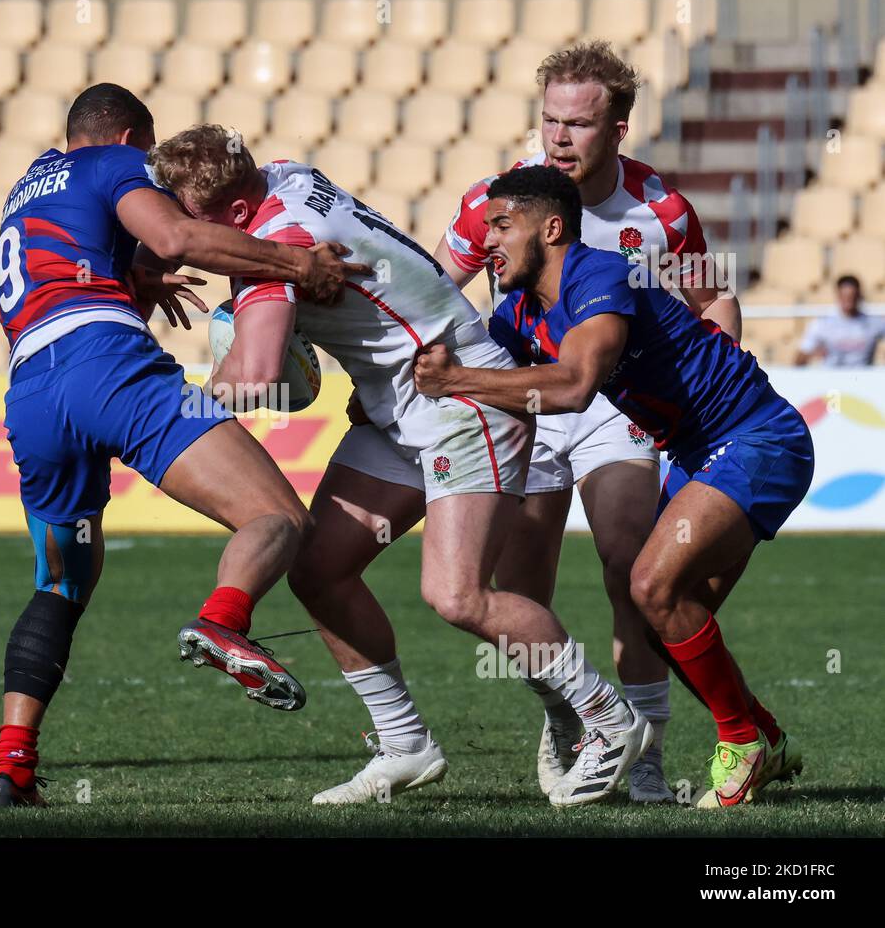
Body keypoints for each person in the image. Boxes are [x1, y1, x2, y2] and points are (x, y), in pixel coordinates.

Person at [150, 124, 654, 808]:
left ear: (236, 213)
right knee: (319, 569)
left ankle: (606, 716)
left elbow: (262, 376)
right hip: (400, 404)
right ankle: (404, 744)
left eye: (192, 222)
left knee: (457, 595)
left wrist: (173, 402)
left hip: (463, 398)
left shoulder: (277, 246)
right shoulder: (284, 174)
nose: (181, 235)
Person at [0, 85, 371, 808]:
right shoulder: (112, 162)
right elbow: (175, 237)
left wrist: (128, 275)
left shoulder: (25, 186)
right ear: (129, 137)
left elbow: (62, 264)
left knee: (61, 585)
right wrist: (296, 266)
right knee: (278, 516)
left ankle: (13, 767)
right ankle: (223, 620)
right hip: (107, 366)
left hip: (31, 392)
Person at [415, 164, 809, 808]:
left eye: (502, 226)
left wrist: (453, 379)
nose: (487, 241)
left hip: (759, 438)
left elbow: (573, 386)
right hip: (698, 454)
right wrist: (395, 394)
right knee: (663, 619)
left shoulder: (601, 274)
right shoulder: (519, 313)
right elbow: (476, 380)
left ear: (551, 228)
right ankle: (765, 735)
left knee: (650, 586)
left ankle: (740, 741)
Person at [431, 42, 736, 802]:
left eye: (579, 123)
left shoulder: (661, 211)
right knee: (519, 584)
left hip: (615, 407)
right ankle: (570, 713)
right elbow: (434, 293)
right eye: (550, 120)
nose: (559, 137)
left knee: (629, 570)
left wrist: (716, 384)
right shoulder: (497, 201)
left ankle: (647, 752)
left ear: (619, 127)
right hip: (524, 402)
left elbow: (715, 299)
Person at [795, 274, 885, 366]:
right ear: (838, 295)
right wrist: (812, 354)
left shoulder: (874, 323)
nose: (848, 301)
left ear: (858, 295)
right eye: (844, 297)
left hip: (863, 373)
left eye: (852, 296)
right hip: (831, 373)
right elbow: (800, 358)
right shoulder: (822, 323)